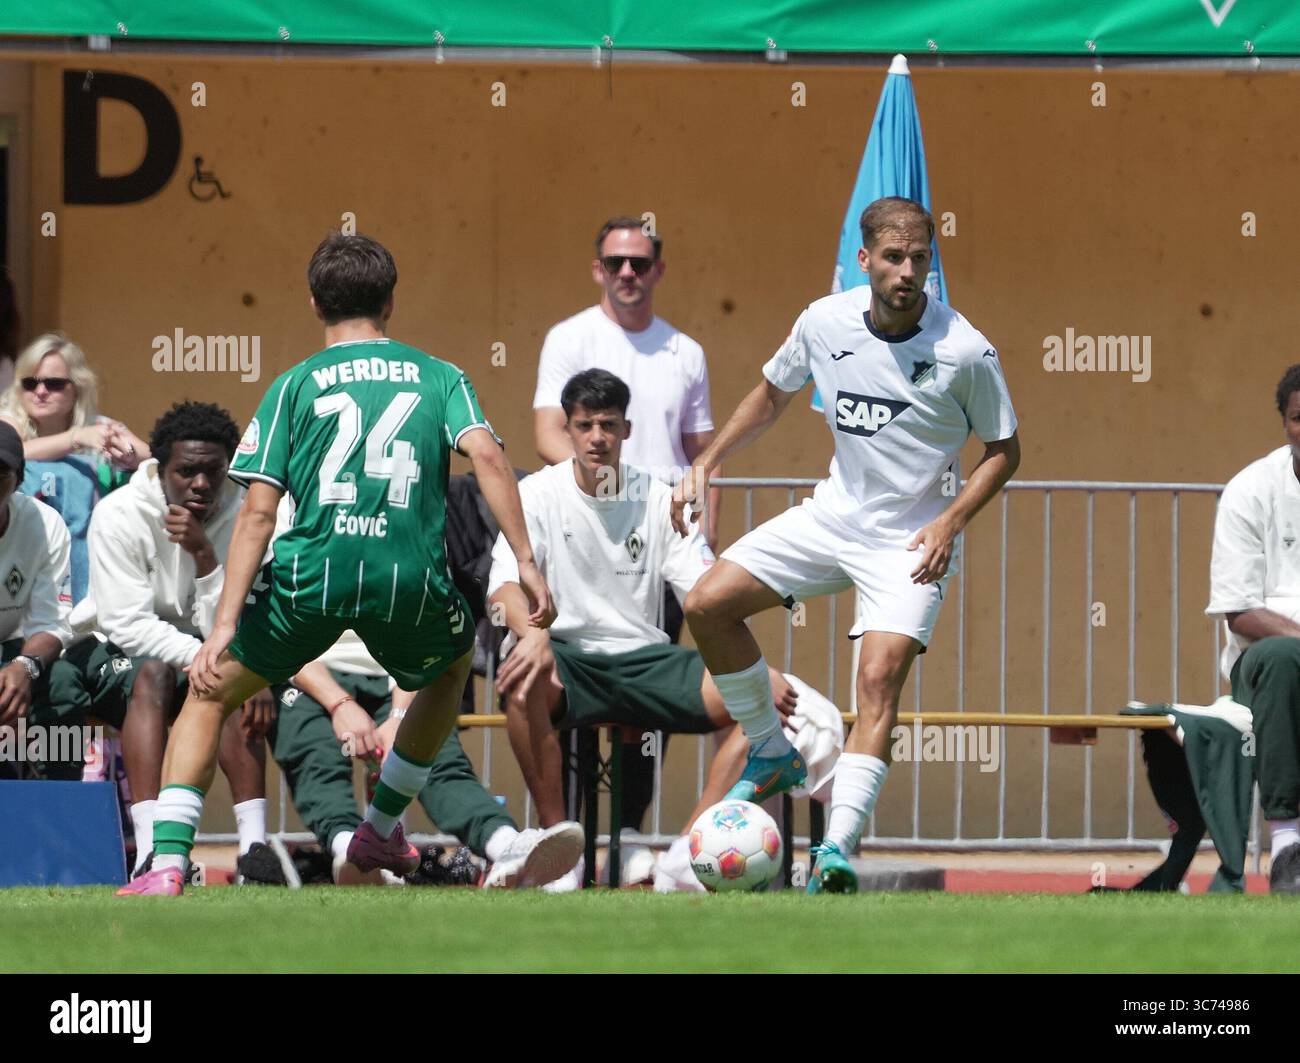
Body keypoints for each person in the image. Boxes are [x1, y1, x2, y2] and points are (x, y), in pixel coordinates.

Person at [119, 231, 555, 897]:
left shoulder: (293, 385)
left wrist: (225, 622)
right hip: (408, 583)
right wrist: (525, 559)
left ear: (314, 299)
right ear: (392, 299)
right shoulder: (441, 375)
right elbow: (490, 457)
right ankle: (382, 824)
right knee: (449, 664)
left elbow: (258, 514)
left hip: (310, 582)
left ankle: (168, 864)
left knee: (207, 693)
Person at [673, 196, 1020, 894]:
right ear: (864, 260)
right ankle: (770, 750)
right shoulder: (823, 320)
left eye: (920, 258)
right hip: (833, 516)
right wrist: (708, 460)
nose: (908, 271)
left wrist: (950, 521)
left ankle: (835, 851)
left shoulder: (964, 350)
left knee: (877, 678)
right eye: (894, 257)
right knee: (708, 603)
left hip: (909, 540)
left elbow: (1005, 449)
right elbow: (772, 395)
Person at [490, 368, 808, 892]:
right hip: (569, 657)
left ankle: (687, 852)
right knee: (521, 679)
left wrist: (755, 671)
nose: (597, 437)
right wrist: (533, 634)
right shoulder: (537, 494)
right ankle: (559, 851)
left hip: (646, 659)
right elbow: (502, 587)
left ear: (627, 431)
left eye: (609, 425)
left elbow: (707, 596)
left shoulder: (661, 499)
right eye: (585, 424)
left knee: (762, 704)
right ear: (567, 431)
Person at [533, 217, 721, 837]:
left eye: (639, 263)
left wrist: (703, 539)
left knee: (650, 703)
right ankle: (568, 837)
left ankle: (629, 835)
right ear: (598, 269)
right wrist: (603, 496)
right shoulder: (569, 338)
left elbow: (702, 457)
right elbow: (545, 434)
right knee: (562, 690)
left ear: (658, 270)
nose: (627, 273)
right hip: (583, 538)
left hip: (662, 545)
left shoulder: (685, 351)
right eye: (615, 262)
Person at [54, 401, 279, 882]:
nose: (200, 484)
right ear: (160, 468)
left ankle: (256, 851)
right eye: (186, 472)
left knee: (232, 681)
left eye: (213, 471)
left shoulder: (249, 514)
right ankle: (152, 850)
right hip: (113, 652)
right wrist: (206, 656)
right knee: (166, 673)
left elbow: (236, 614)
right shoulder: (119, 513)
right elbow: (125, 624)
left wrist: (203, 556)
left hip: (202, 646)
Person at [272, 628, 583, 887]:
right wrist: (339, 704)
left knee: (439, 763)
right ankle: (352, 855)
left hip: (401, 672)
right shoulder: (287, 552)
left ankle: (508, 849)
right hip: (313, 674)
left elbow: (423, 630)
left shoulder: (409, 552)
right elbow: (279, 633)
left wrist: (399, 715)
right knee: (316, 757)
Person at [1204, 363, 1300, 893]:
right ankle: (1289, 846)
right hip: (1263, 661)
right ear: (1284, 423)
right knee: (1288, 661)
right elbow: (1238, 610)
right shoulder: (1251, 489)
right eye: (1299, 418)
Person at [0, 333, 150, 603]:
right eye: (30, 383)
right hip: (20, 566)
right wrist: (76, 438)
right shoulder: (8, 420)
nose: (41, 391)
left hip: (85, 565)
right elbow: (13, 452)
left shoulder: (96, 425)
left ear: (77, 387)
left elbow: (152, 458)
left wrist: (127, 455)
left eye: (54, 383)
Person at [0, 421, 74, 771]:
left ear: (19, 477)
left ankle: (55, 814)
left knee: (62, 681)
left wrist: (25, 667)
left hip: (13, 647)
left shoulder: (45, 524)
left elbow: (52, 622)